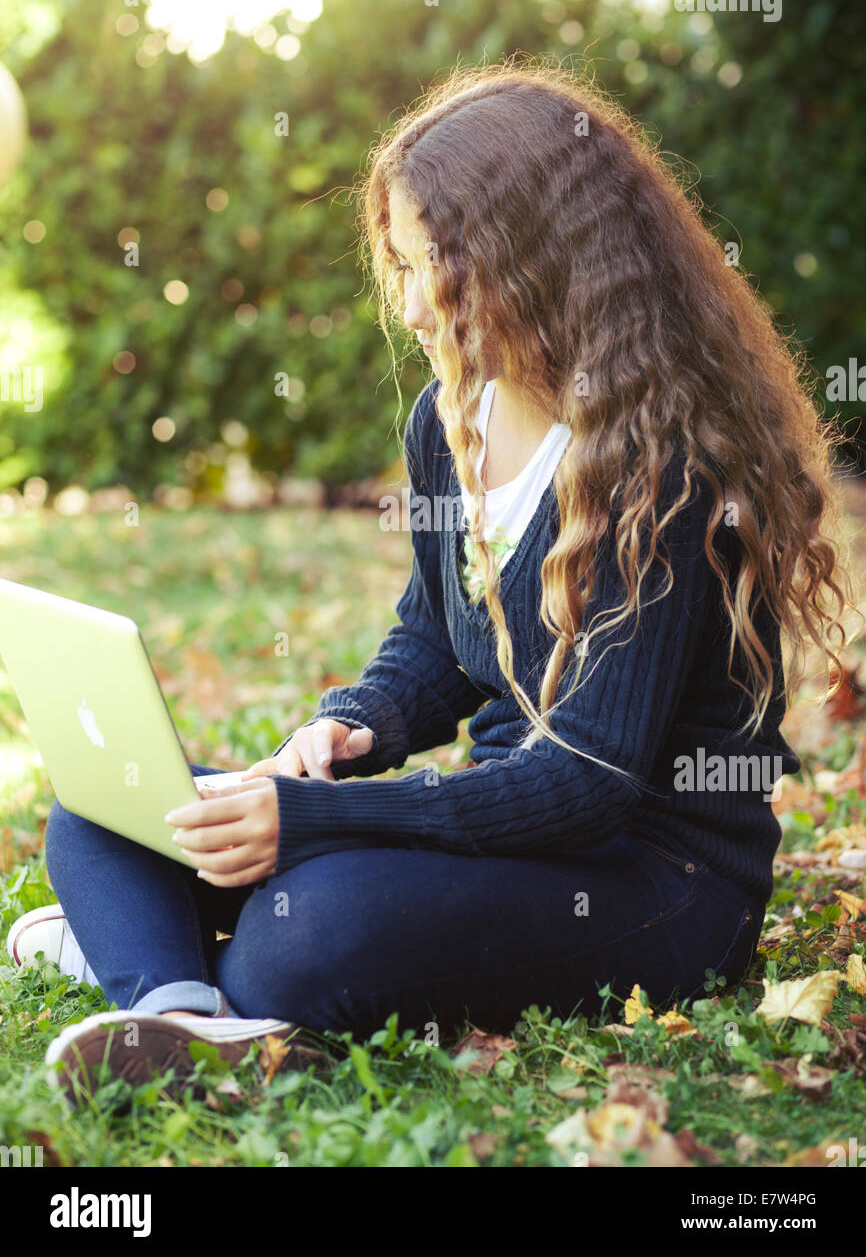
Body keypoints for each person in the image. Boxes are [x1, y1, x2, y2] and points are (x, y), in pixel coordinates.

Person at [12, 58, 860, 1102]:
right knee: (101, 813)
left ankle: (157, 956)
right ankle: (182, 1014)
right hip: (503, 833)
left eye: (429, 268)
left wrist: (315, 823)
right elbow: (429, 643)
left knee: (310, 926)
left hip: (649, 880)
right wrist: (351, 725)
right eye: (397, 267)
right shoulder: (449, 417)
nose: (409, 306)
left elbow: (587, 785)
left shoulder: (663, 467)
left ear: (531, 257)